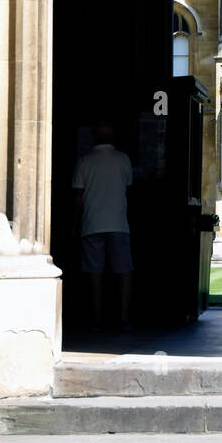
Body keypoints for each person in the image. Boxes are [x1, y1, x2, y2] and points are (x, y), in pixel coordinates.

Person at [72, 120, 133, 331]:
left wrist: (76, 222)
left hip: (91, 223)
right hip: (118, 222)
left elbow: (78, 197)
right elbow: (128, 188)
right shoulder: (123, 160)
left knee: (94, 274)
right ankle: (123, 318)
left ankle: (97, 318)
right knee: (123, 271)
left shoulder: (84, 161)